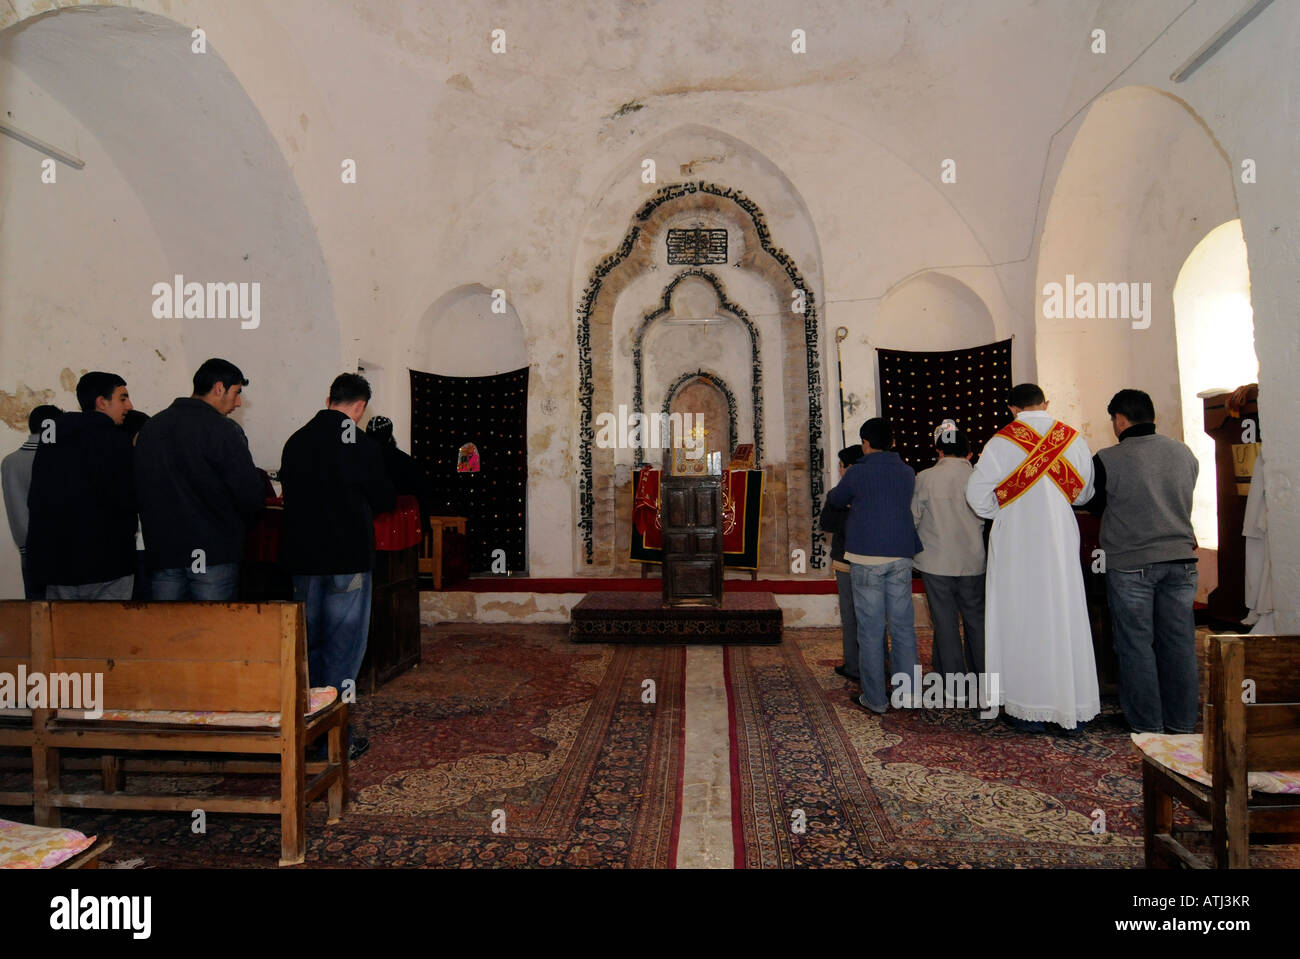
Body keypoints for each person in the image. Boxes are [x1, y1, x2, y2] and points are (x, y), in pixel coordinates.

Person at [966, 383, 1096, 733]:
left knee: (1018, 617)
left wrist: (1004, 510)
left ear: (1011, 409)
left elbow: (976, 496)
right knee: (1062, 614)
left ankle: (1025, 709)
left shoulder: (1000, 442)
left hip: (1016, 543)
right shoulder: (1072, 439)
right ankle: (1070, 708)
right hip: (1058, 542)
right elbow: (1083, 494)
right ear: (1046, 403)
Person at [280, 373, 395, 761]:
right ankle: (335, 740)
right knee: (343, 649)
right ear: (360, 407)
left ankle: (305, 734)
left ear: (329, 398)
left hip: (304, 559)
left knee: (307, 647)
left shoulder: (296, 441)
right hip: (346, 559)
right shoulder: (360, 444)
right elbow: (383, 499)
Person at [1087, 389, 1199, 734]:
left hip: (1132, 562)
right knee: (1179, 644)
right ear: (1152, 416)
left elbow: (1094, 506)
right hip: (1182, 560)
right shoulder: (1184, 453)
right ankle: (1181, 723)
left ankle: (1147, 725)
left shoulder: (1108, 458)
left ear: (1119, 419)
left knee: (1136, 644)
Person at [135, 359, 266, 601]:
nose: (238, 402)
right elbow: (249, 494)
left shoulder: (152, 427)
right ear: (219, 388)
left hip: (164, 553)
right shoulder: (223, 430)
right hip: (214, 554)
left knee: (166, 633)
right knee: (211, 632)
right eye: (236, 393)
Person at [825, 418, 922, 714]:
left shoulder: (858, 473)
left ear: (866, 443)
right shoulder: (907, 471)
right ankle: (909, 695)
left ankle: (876, 698)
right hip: (901, 553)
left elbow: (835, 499)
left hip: (866, 556)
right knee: (904, 626)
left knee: (870, 628)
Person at [27, 372, 136, 599]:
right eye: (123, 398)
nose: (129, 405)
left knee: (65, 633)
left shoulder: (51, 439)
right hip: (109, 563)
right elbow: (125, 498)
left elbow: (38, 498)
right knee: (110, 631)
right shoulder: (116, 440)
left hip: (58, 564)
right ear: (101, 402)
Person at [912, 422, 986, 701]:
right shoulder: (979, 477)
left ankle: (954, 684)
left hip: (936, 560)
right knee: (976, 621)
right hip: (972, 559)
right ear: (969, 452)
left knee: (944, 622)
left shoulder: (926, 478)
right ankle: (983, 680)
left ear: (938, 449)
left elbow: (913, 517)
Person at [2, 404, 62, 598]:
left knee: (36, 611)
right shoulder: (54, 458)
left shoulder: (9, 461)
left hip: (26, 547)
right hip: (54, 547)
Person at [820, 444, 865, 681]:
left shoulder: (840, 493)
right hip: (872, 560)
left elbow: (826, 523)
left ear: (846, 467)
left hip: (847, 560)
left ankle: (854, 666)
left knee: (850, 615)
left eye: (840, 465)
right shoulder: (873, 490)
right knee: (875, 616)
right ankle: (880, 663)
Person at [365, 414, 431, 524]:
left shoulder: (360, 459)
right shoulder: (405, 461)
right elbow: (421, 494)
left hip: (371, 525)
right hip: (401, 526)